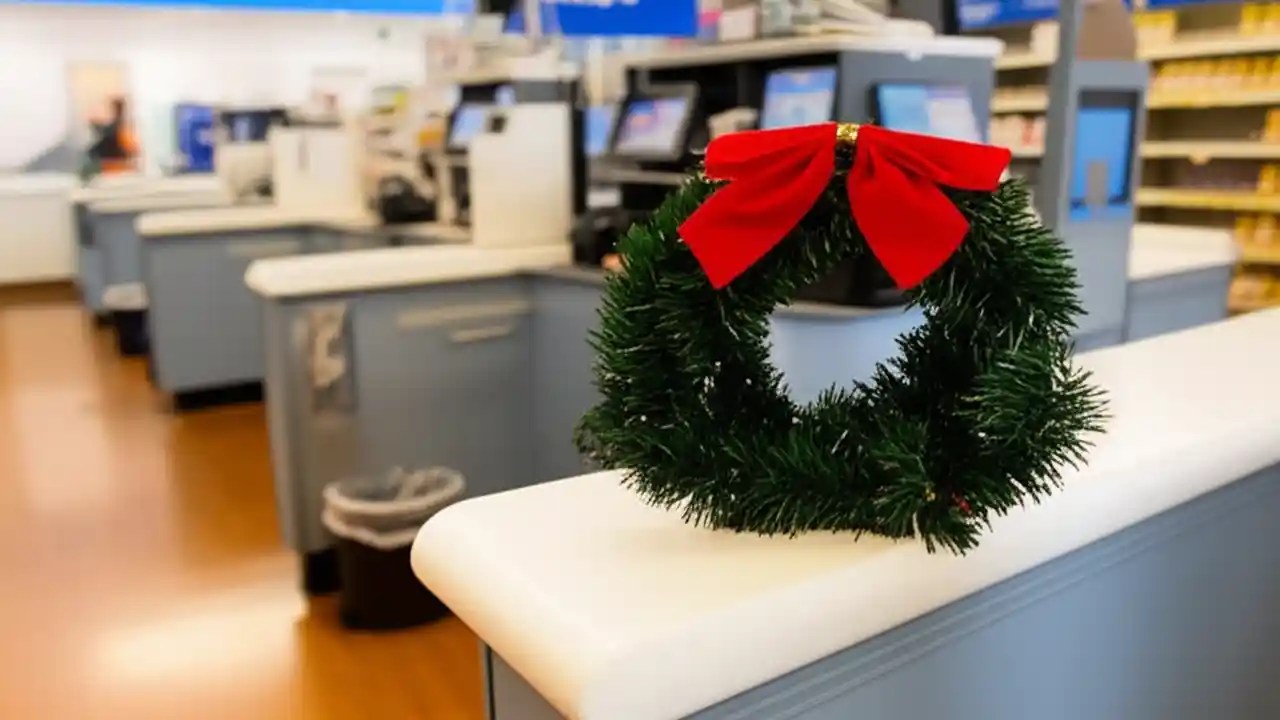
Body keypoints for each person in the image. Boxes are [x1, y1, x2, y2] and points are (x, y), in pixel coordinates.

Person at [87, 97, 138, 175]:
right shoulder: (119, 123)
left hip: (116, 159)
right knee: (92, 151)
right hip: (112, 157)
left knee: (93, 151)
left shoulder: (122, 124)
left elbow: (110, 131)